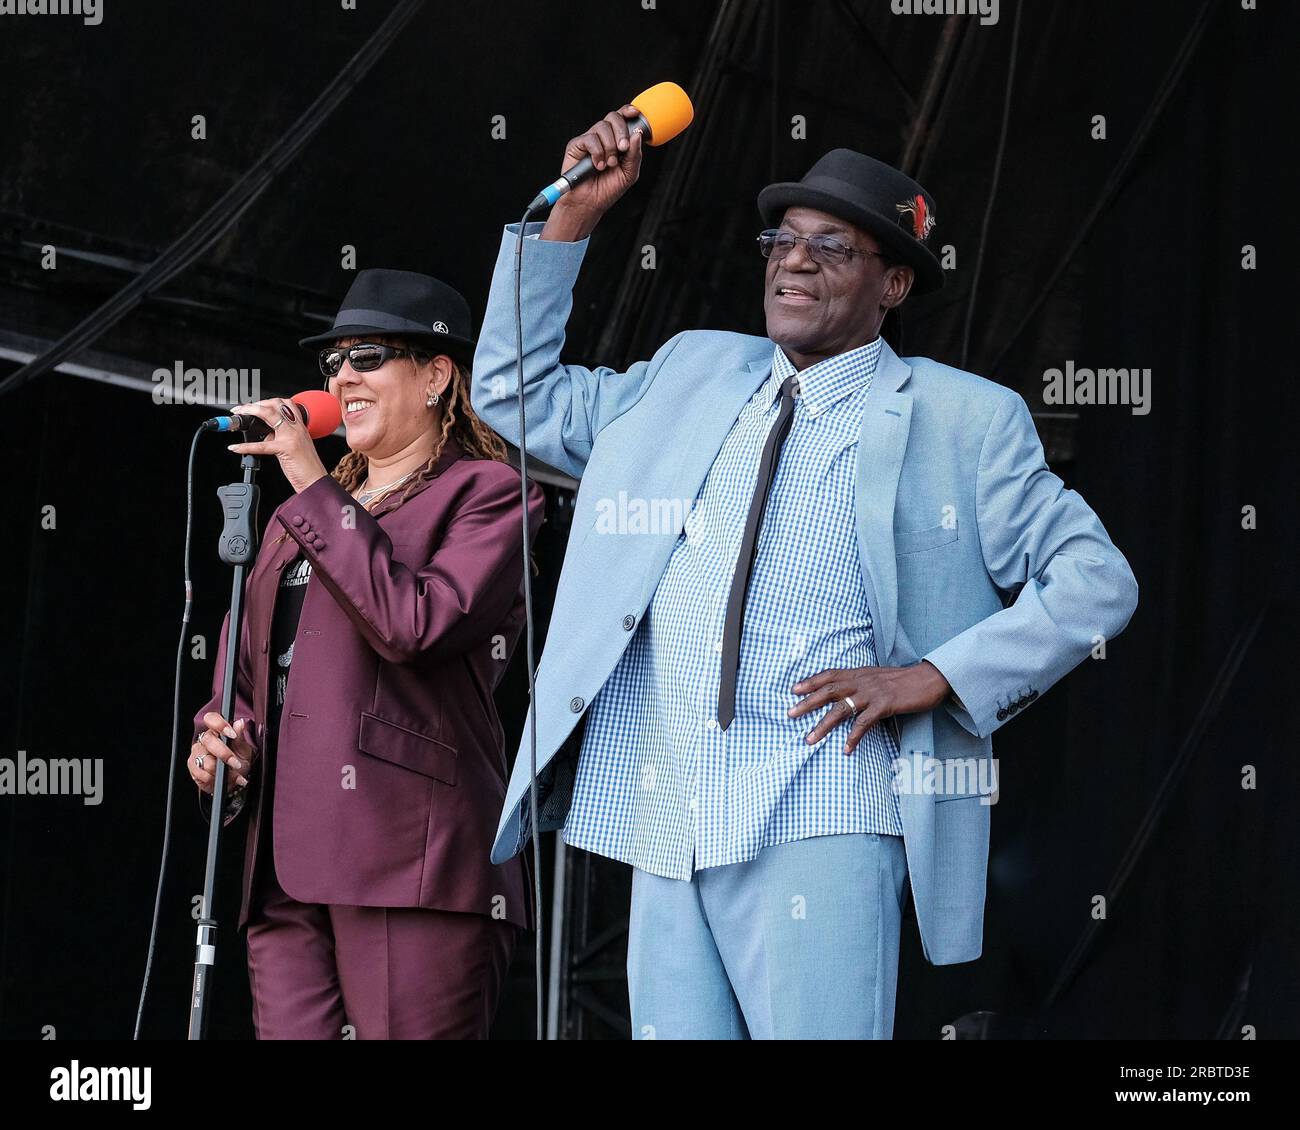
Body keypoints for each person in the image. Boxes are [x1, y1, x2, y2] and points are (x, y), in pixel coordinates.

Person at [470, 109, 1139, 1039]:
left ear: (893, 283)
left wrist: (935, 678)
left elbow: (1098, 580)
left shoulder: (964, 420)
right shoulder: (689, 370)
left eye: (833, 247)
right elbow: (513, 398)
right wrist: (572, 218)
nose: (795, 261)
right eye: (782, 240)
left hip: (821, 806)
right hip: (666, 811)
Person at [189, 268, 545, 1039]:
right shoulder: (294, 519)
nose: (342, 376)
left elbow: (415, 625)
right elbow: (244, 660)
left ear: (437, 376)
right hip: (281, 865)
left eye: (368, 355)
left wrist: (314, 484)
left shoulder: (488, 494)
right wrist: (225, 733)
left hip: (409, 862)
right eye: (334, 361)